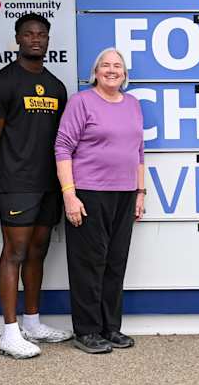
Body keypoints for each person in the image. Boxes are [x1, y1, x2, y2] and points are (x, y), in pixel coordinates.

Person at [0, 13, 71, 358]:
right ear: (17, 40)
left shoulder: (56, 86)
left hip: (48, 185)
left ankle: (32, 322)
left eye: (41, 34)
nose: (36, 39)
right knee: (14, 253)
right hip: (15, 184)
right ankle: (9, 331)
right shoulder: (2, 83)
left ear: (48, 40)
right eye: (29, 34)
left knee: (37, 252)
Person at [55, 48, 145, 354]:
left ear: (124, 74)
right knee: (88, 264)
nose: (111, 70)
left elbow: (139, 152)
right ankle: (87, 330)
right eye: (105, 65)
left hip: (124, 193)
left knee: (115, 262)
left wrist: (140, 192)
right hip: (89, 193)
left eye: (117, 66)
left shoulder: (132, 104)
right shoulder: (81, 102)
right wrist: (69, 194)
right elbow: (63, 148)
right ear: (95, 72)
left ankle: (111, 327)